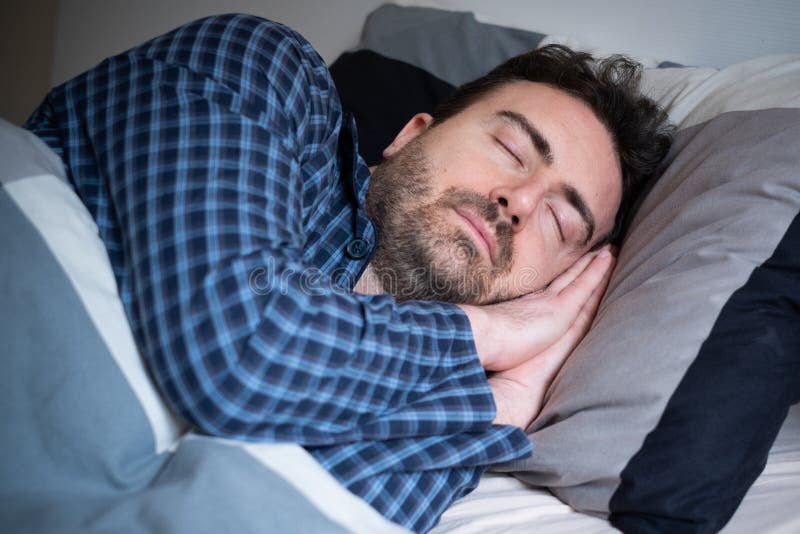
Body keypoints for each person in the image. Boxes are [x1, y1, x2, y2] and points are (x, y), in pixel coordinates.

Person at [24, 13, 673, 533]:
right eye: (508, 148)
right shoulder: (262, 73)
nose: (520, 202)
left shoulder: (430, 399)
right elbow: (241, 350)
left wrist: (502, 404)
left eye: (561, 223)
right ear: (411, 134)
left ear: (553, 283)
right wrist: (493, 336)